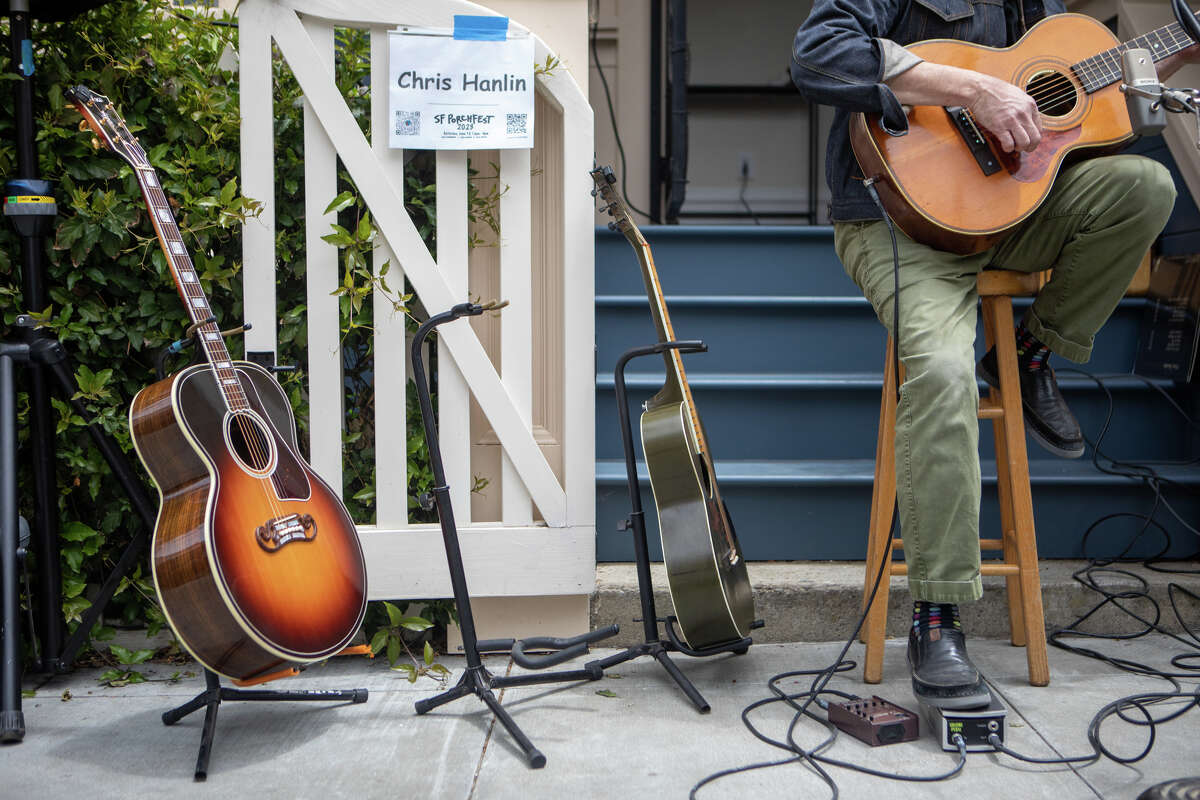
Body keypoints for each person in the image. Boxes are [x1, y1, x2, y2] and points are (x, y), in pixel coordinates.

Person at [790, 1, 1197, 708]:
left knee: (1146, 187)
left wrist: (1174, 54)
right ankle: (938, 615)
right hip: (900, 219)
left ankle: (1033, 352)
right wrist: (974, 88)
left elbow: (1075, 94)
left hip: (1012, 212)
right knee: (943, 375)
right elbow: (817, 53)